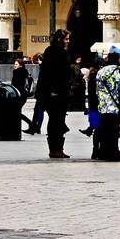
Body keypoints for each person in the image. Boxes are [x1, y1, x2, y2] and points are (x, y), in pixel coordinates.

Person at [36, 29, 73, 159]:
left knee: (55, 121)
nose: (68, 41)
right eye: (66, 39)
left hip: (50, 92)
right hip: (56, 93)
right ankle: (56, 149)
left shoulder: (49, 51)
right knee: (57, 121)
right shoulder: (60, 53)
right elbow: (59, 74)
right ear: (59, 39)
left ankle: (56, 149)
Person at [95, 48, 120, 161]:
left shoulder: (101, 71)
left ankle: (103, 152)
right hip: (113, 106)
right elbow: (117, 90)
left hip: (103, 106)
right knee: (113, 132)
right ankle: (113, 152)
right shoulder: (116, 71)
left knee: (104, 131)